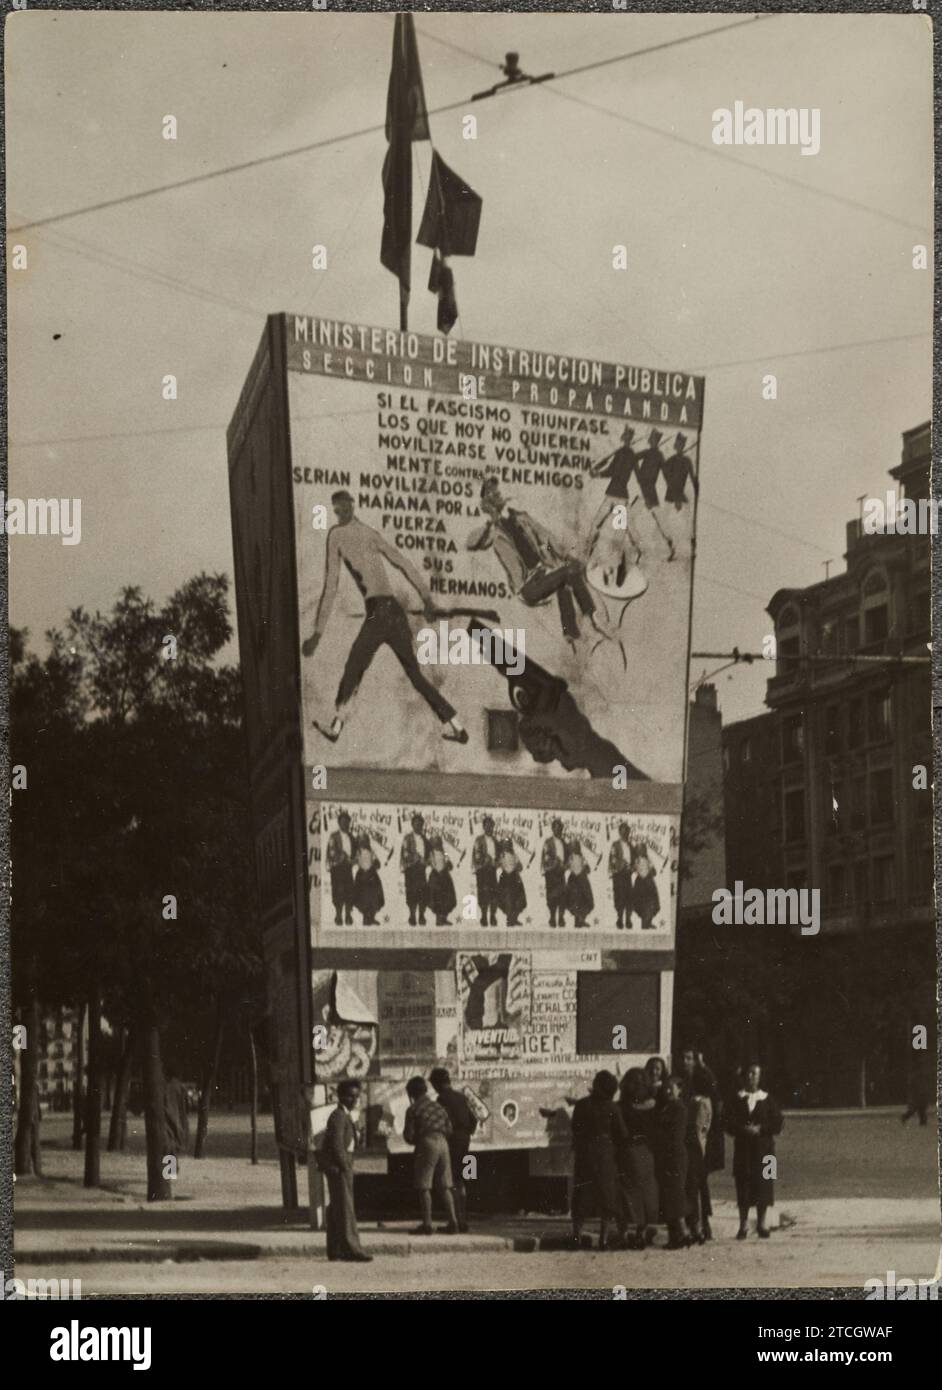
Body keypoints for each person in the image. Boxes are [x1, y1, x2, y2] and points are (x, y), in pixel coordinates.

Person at [302, 490, 467, 746]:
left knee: (355, 664)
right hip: (394, 612)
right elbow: (402, 563)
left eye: (343, 507)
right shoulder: (367, 533)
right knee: (414, 675)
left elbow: (332, 585)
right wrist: (426, 599)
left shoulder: (338, 535)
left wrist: (317, 634)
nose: (341, 512)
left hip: (379, 613)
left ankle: (336, 726)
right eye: (337, 509)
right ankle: (456, 725)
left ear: (351, 506)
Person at [467, 477, 616, 648]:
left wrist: (565, 556)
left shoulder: (522, 518)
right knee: (568, 573)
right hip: (527, 586)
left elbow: (547, 539)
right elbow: (471, 543)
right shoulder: (493, 533)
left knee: (565, 579)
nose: (497, 495)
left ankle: (570, 632)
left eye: (497, 492)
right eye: (491, 495)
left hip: (543, 574)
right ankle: (594, 619)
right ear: (487, 504)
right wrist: (490, 521)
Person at [570, 1070, 628, 1251]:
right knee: (607, 1197)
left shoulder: (582, 1105)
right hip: (605, 1155)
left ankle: (576, 1238)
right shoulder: (612, 1107)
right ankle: (603, 1240)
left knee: (582, 1196)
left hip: (585, 1154)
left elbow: (575, 1127)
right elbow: (622, 1133)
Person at [725, 1062, 784, 1239]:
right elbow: (727, 1122)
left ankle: (762, 1223)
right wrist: (743, 1129)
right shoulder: (737, 1099)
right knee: (743, 1185)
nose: (751, 1077)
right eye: (748, 1073)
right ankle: (743, 1225)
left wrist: (761, 1129)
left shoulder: (768, 1099)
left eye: (755, 1074)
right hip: (744, 1150)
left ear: (760, 1077)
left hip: (767, 1151)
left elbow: (778, 1123)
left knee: (765, 1184)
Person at [320, 1079, 372, 1262]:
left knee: (337, 1207)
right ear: (341, 1096)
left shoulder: (345, 1115)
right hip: (340, 1167)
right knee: (345, 1208)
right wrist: (345, 1167)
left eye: (356, 1096)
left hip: (340, 1165)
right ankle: (352, 1249)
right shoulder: (339, 1116)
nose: (354, 1099)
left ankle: (335, 1249)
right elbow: (336, 1145)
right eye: (350, 1096)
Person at [403, 1076, 460, 1235]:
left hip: (427, 1143)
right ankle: (453, 1222)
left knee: (424, 1186)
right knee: (445, 1185)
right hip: (443, 1143)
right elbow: (449, 1130)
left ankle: (427, 1224)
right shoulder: (439, 1107)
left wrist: (417, 1140)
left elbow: (409, 1135)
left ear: (411, 1093)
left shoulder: (413, 1109)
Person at [430, 1067, 478, 1233]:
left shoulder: (441, 1099)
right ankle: (463, 1220)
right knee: (463, 1180)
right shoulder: (462, 1097)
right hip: (466, 1141)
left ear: (437, 1084)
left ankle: (455, 1221)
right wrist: (467, 1133)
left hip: (452, 1142)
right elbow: (474, 1119)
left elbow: (443, 1123)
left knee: (450, 1181)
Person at [617, 1068, 659, 1249]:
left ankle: (625, 1233)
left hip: (627, 1152)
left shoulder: (621, 1107)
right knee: (647, 1192)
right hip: (646, 1152)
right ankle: (641, 1232)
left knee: (627, 1192)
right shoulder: (653, 1106)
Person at [680, 1044, 719, 1240]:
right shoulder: (681, 1081)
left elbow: (701, 1127)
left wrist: (703, 1066)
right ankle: (697, 1223)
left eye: (689, 1058)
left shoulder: (702, 1087)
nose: (685, 1062)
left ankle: (702, 1224)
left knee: (698, 1184)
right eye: (684, 1058)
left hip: (697, 1144)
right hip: (688, 1143)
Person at [657, 1076, 690, 1249]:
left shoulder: (679, 1108)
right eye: (666, 1087)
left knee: (675, 1193)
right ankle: (675, 1236)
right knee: (669, 1195)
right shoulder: (667, 1107)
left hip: (674, 1155)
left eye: (672, 1087)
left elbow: (675, 1135)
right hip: (667, 1156)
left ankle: (683, 1232)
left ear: (680, 1090)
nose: (668, 1090)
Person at [635, 429, 674, 560]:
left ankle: (668, 544)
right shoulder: (650, 453)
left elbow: (666, 473)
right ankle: (669, 542)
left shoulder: (656, 454)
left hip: (648, 490)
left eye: (652, 439)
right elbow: (633, 458)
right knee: (657, 516)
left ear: (655, 441)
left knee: (655, 516)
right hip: (646, 488)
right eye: (650, 439)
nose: (650, 441)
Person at [326, 811, 355, 926]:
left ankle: (348, 915)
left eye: (347, 822)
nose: (345, 824)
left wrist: (353, 860)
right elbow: (331, 851)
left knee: (349, 891)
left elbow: (355, 852)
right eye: (343, 822)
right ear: (339, 823)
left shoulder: (351, 837)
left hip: (348, 868)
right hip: (337, 868)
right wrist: (343, 856)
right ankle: (338, 915)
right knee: (338, 891)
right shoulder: (334, 836)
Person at [400, 813, 429, 926]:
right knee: (411, 893)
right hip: (411, 869)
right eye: (416, 824)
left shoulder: (425, 839)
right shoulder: (407, 838)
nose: (418, 826)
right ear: (412, 825)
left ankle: (421, 915)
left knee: (423, 893)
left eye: (420, 824)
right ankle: (412, 915)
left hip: (421, 870)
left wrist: (445, 857)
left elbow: (433, 851)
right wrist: (415, 858)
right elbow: (405, 853)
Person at [471, 815, 500, 926]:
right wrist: (485, 860)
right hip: (482, 870)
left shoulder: (495, 841)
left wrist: (497, 863)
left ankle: (492, 916)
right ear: (484, 827)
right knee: (483, 893)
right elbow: (476, 854)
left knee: (494, 893)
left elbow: (499, 855)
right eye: (487, 826)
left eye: (491, 826)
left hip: (492, 871)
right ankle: (483, 916)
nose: (489, 828)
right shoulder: (479, 840)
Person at [541, 818, 569, 928]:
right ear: (553, 829)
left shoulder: (564, 843)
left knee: (562, 896)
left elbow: (568, 857)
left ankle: (561, 918)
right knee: (552, 896)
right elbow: (545, 856)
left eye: (560, 829)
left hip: (561, 873)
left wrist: (566, 865)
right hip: (551, 873)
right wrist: (554, 863)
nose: (558, 831)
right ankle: (552, 917)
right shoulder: (548, 842)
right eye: (556, 828)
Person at [164, 1068, 190, 1172]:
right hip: (177, 1117)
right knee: (173, 1143)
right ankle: (172, 1169)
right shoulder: (179, 1087)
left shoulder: (166, 1086)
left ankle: (171, 1169)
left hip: (168, 1116)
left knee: (169, 1144)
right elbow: (185, 1106)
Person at [352, 840, 384, 926]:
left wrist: (376, 863)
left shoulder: (371, 851)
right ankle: (366, 918)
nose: (364, 844)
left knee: (374, 897)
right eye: (362, 841)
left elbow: (377, 862)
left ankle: (371, 918)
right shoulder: (358, 852)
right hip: (362, 876)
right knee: (363, 898)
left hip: (371, 875)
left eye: (365, 841)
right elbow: (354, 860)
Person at [608, 822, 633, 929]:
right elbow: (612, 859)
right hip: (618, 875)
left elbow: (634, 859)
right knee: (619, 897)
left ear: (628, 833)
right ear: (619, 832)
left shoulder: (630, 845)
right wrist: (621, 864)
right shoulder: (615, 845)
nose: (624, 834)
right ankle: (619, 919)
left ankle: (628, 919)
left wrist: (632, 867)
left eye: (626, 832)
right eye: (622, 832)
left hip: (627, 875)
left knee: (629, 897)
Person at [497, 842, 526, 926]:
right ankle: (509, 919)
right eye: (506, 845)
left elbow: (520, 867)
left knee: (518, 899)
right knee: (507, 899)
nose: (507, 846)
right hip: (506, 878)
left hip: (514, 878)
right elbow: (497, 864)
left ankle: (514, 919)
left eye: (509, 845)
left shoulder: (514, 855)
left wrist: (516, 867)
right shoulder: (501, 855)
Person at [427, 844, 457, 926]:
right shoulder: (431, 853)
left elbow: (448, 862)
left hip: (445, 877)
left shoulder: (444, 852)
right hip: (436, 877)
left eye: (438, 842)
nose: (437, 844)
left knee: (447, 898)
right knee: (437, 898)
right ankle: (439, 919)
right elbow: (431, 863)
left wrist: (448, 864)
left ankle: (444, 919)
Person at [565, 852, 594, 929]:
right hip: (577, 880)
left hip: (580, 880)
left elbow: (588, 870)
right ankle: (579, 920)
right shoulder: (573, 857)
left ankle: (580, 920)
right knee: (576, 901)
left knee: (583, 901)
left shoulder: (579, 857)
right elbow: (588, 870)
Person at [632, 852, 660, 930]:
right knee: (644, 907)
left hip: (648, 883)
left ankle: (648, 923)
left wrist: (651, 867)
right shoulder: (637, 860)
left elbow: (654, 872)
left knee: (653, 905)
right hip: (642, 885)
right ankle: (646, 925)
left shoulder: (648, 858)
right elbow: (636, 870)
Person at [901, 1055, 930, 1125]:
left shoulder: (919, 1075)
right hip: (917, 1094)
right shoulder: (916, 1075)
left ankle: (922, 1122)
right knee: (917, 1108)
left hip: (920, 1094)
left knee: (920, 1109)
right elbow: (914, 1086)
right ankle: (906, 1117)